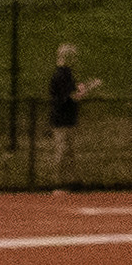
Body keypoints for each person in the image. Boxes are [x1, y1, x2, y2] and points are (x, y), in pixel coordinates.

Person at [49, 44, 101, 188]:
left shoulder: (64, 74)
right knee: (62, 151)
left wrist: (84, 87)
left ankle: (70, 180)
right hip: (62, 118)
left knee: (69, 151)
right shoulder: (62, 75)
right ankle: (59, 182)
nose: (75, 60)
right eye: (73, 57)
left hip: (66, 118)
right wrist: (90, 88)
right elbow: (73, 96)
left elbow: (73, 91)